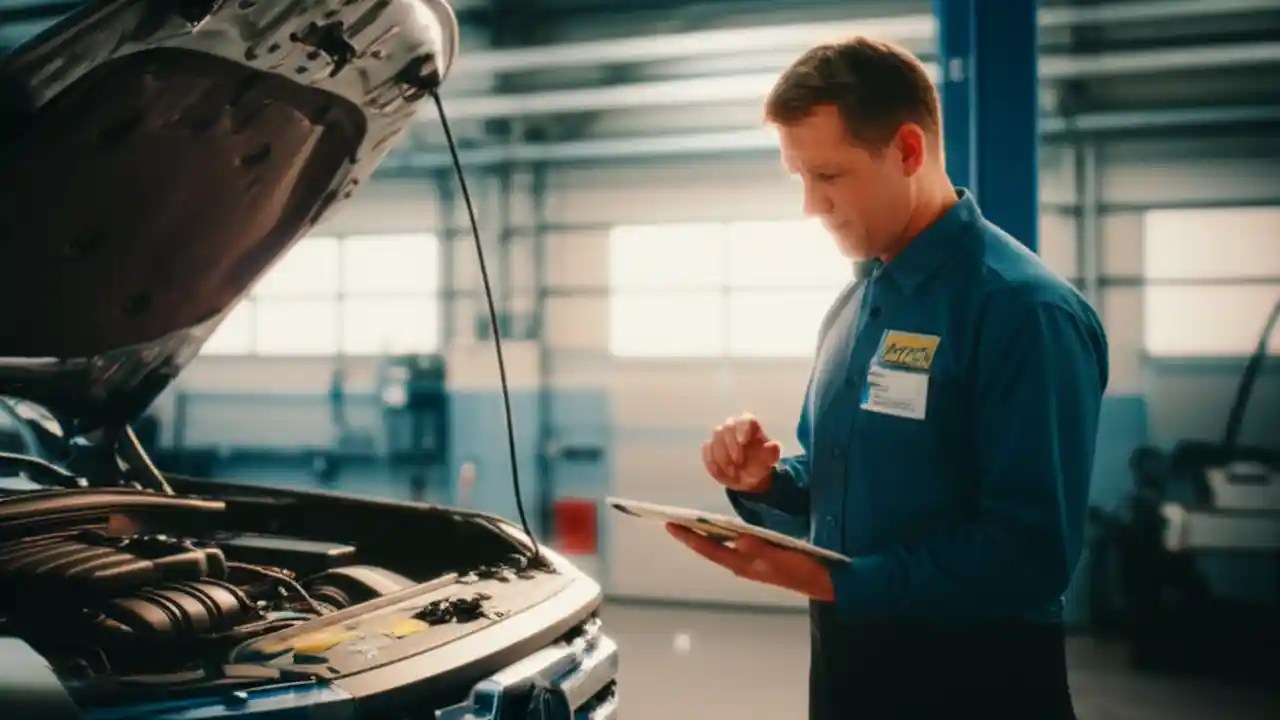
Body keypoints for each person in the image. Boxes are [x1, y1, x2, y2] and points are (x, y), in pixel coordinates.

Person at [664, 37, 1109, 720]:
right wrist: (766, 483)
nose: (810, 206)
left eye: (829, 176)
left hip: (978, 686)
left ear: (907, 150)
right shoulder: (858, 303)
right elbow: (837, 482)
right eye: (799, 179)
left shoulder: (1024, 312)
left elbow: (1030, 553)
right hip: (851, 675)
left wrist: (840, 583)